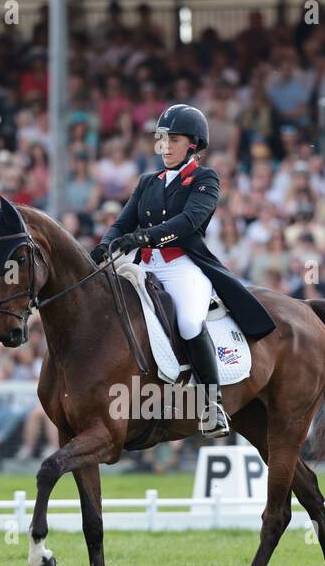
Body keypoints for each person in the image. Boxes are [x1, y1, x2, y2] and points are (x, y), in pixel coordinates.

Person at [92, 104, 276, 438]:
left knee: (190, 322)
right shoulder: (148, 182)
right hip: (143, 267)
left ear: (192, 144)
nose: (164, 146)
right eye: (161, 139)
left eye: (172, 139)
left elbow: (190, 221)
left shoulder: (204, 178)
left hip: (181, 265)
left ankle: (211, 404)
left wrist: (146, 235)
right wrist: (105, 244)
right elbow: (122, 223)